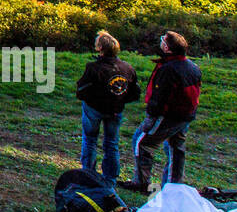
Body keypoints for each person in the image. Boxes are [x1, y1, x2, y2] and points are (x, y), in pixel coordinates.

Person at [120, 30, 202, 193]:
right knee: (176, 148)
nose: (161, 42)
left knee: (141, 142)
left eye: (163, 40)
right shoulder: (192, 66)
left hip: (167, 115)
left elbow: (161, 95)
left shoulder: (168, 68)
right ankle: (173, 185)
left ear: (167, 48)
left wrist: (152, 114)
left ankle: (141, 182)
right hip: (185, 116)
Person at [74, 30, 140, 192]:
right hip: (116, 110)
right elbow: (134, 92)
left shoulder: (93, 68)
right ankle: (110, 179)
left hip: (94, 109)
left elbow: (81, 89)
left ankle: (88, 175)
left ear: (100, 49)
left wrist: (89, 99)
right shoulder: (127, 68)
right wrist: (120, 101)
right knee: (112, 143)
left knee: (90, 140)